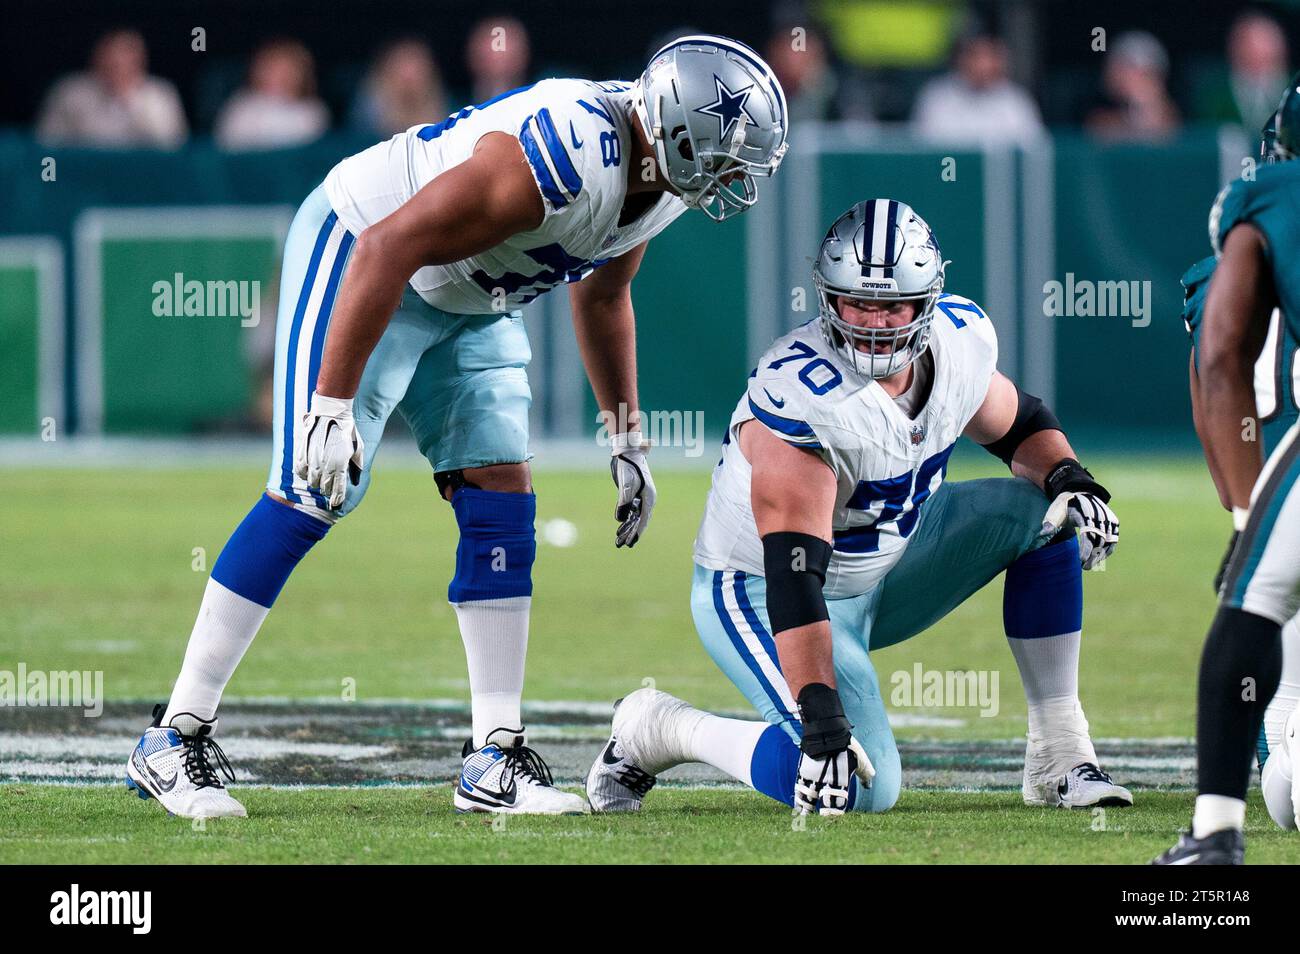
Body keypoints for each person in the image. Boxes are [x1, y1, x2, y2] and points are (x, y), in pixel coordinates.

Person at [123, 35, 789, 818]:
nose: (732, 180)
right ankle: (173, 736)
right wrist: (331, 406)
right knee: (312, 490)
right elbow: (388, 244)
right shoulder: (568, 154)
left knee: (504, 500)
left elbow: (604, 297)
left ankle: (493, 756)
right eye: (724, 159)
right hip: (365, 254)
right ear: (676, 132)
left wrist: (624, 437)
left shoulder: (660, 177)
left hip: (473, 298)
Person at [587, 199, 1129, 816]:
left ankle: (1059, 753)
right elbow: (795, 575)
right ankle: (656, 728)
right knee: (857, 786)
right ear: (828, 300)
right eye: (857, 304)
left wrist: (1070, 478)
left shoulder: (957, 345)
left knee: (1050, 513)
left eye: (890, 305)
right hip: (766, 590)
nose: (872, 323)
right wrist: (821, 721)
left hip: (888, 560)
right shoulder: (803, 396)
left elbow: (1019, 423)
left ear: (925, 303)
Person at [1155, 81, 1300, 864]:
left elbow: (1215, 358)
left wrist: (1247, 514)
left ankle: (1215, 833)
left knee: (1284, 771)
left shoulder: (1264, 202)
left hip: (1286, 484)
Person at [36, 29, 187, 148]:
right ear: (96, 59)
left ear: (140, 61)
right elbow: (46, 143)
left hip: (143, 178)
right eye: (111, 62)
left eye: (126, 60)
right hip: (80, 177)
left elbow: (173, 147)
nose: (118, 67)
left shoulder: (160, 95)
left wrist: (131, 105)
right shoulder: (70, 92)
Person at [911, 33, 1043, 147]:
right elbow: (926, 149)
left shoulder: (1015, 100)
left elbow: (1033, 148)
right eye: (976, 56)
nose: (984, 65)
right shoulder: (937, 97)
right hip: (949, 173)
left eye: (991, 56)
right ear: (962, 59)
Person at [214, 39, 330, 151]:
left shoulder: (313, 110)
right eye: (270, 69)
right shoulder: (241, 106)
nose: (277, 77)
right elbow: (226, 146)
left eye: (286, 71)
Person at [1084, 31, 1180, 142]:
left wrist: (1145, 102)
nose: (1114, 73)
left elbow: (1163, 135)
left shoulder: (1170, 114)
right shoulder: (1100, 117)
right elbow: (1101, 132)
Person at [350, 39, 446, 137]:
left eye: (417, 68)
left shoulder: (449, 110)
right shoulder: (369, 108)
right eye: (402, 66)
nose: (409, 78)